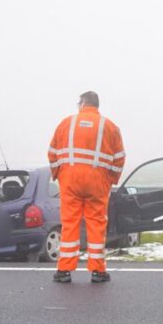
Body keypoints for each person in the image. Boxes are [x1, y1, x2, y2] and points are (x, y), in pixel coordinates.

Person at [47, 91, 125, 284]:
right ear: (96, 105)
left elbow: (52, 153)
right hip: (97, 182)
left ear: (82, 103)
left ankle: (64, 270)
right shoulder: (110, 126)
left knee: (70, 223)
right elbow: (119, 158)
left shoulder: (66, 124)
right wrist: (110, 179)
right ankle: (98, 271)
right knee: (97, 223)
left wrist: (59, 175)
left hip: (70, 180)